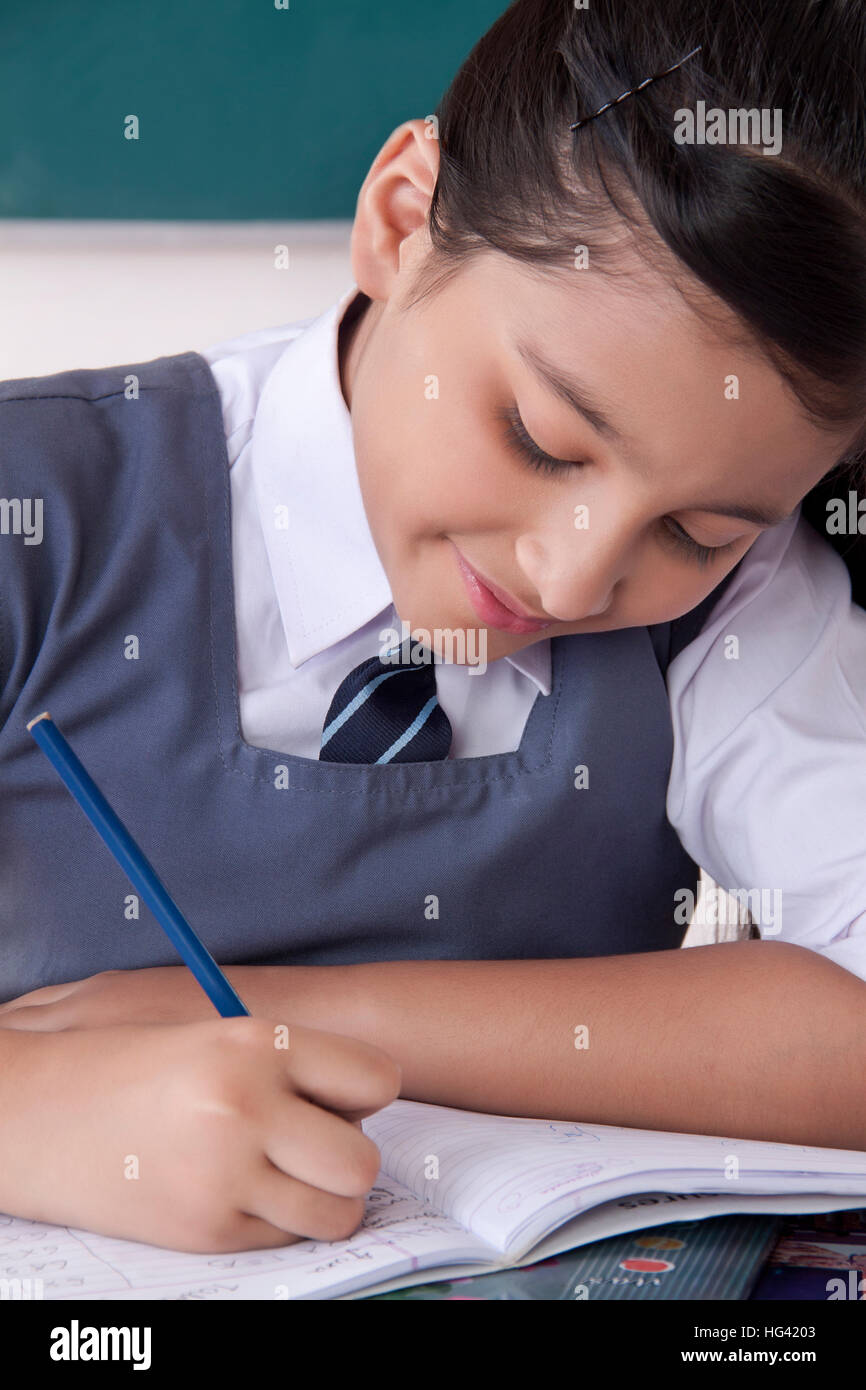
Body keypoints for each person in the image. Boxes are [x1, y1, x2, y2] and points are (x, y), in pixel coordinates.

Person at [1, 0, 865, 1255]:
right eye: (541, 438)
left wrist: (300, 1020)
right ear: (402, 220)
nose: (572, 582)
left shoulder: (744, 602)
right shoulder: (37, 507)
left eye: (697, 529)